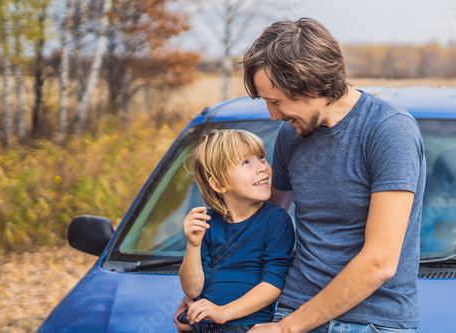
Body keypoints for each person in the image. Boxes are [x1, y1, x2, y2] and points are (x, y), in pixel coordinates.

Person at [175, 17, 426, 333]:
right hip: (289, 311)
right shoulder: (290, 135)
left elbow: (380, 262)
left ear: (311, 83)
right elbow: (258, 223)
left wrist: (286, 329)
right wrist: (208, 296)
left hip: (368, 322)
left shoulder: (388, 131)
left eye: (276, 101)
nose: (273, 114)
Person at [178, 129, 295, 333]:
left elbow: (274, 283)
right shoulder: (206, 222)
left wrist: (224, 312)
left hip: (248, 327)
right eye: (246, 162)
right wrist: (193, 245)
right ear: (219, 184)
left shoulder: (275, 220)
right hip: (204, 326)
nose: (263, 168)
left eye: (261, 158)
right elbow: (192, 289)